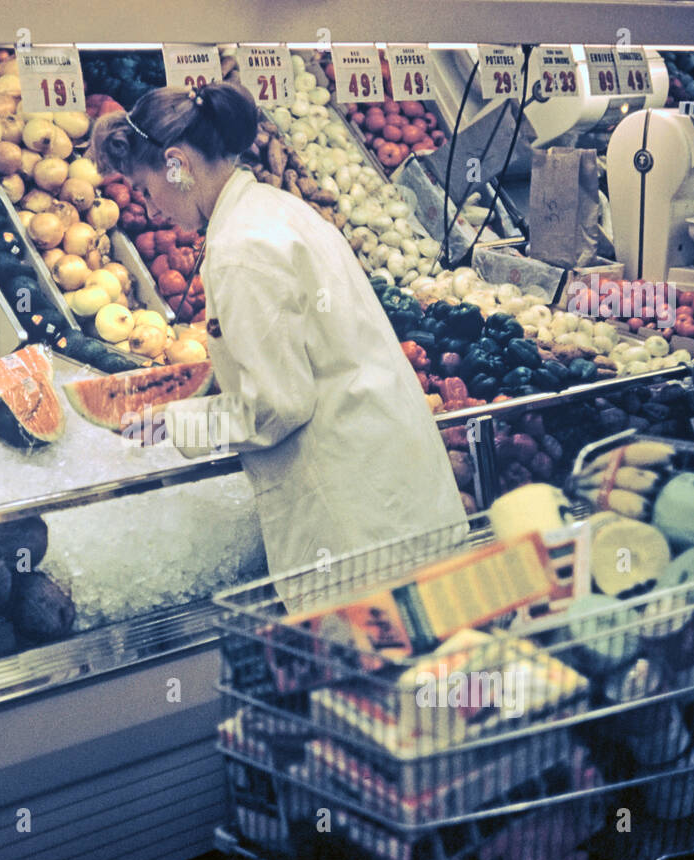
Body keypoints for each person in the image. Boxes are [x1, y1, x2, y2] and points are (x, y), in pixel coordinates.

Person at [90, 84, 467, 594]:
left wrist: (169, 423)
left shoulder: (239, 250)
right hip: (396, 494)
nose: (152, 208)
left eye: (146, 188)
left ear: (176, 164)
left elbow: (277, 407)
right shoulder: (275, 209)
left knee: (370, 667)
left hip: (359, 533)